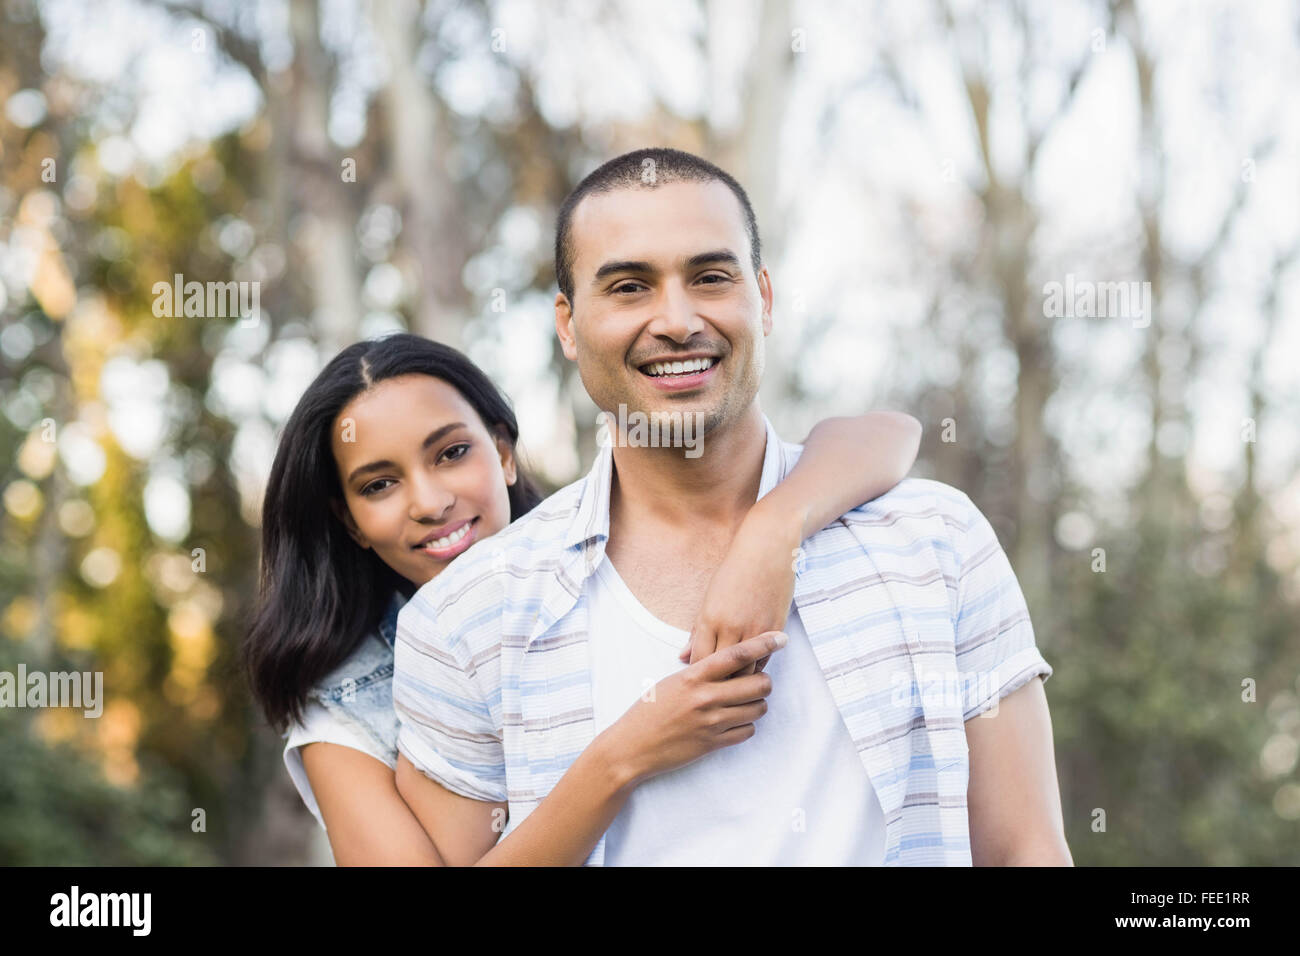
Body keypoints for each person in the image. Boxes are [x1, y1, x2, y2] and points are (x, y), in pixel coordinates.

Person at [393, 147, 1072, 866]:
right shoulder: (464, 621)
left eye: (710, 277)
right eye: (629, 288)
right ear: (567, 324)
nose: (678, 320)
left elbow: (1027, 850)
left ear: (765, 298)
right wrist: (620, 759)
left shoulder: (935, 542)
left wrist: (775, 529)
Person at [243, 331, 922, 864]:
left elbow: (889, 434)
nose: (430, 500)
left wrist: (771, 534)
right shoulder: (344, 701)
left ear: (503, 454)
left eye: (451, 453)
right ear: (348, 520)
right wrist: (624, 754)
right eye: (379, 485)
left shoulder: (593, 546)